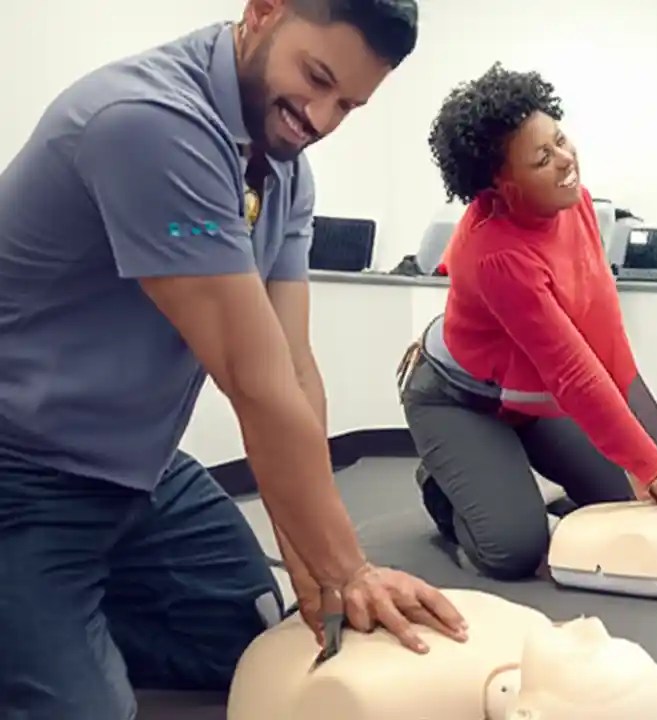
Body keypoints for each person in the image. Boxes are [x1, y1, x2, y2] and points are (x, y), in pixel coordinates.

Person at [0, 3, 469, 718]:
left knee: (253, 633)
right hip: (22, 473)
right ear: (263, 11)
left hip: (141, 474)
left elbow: (291, 367)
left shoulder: (281, 168)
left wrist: (318, 563)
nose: (319, 118)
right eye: (314, 78)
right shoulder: (149, 123)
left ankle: (54, 618)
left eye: (348, 104)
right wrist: (348, 570)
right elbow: (251, 381)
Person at [399, 63, 657, 581]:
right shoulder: (495, 253)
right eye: (543, 157)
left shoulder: (578, 203)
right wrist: (650, 465)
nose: (566, 160)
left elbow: (607, 342)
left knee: (648, 502)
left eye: (560, 139)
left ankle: (510, 467)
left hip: (529, 400)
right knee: (515, 552)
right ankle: (444, 483)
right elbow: (571, 371)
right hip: (461, 401)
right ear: (499, 185)